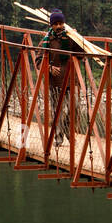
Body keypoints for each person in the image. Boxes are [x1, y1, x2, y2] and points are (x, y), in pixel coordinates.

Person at [39, 9, 82, 145]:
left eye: (60, 23)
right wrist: (49, 68)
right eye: (55, 24)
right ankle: (58, 138)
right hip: (55, 81)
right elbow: (38, 59)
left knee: (74, 107)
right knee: (57, 109)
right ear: (51, 25)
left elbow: (81, 54)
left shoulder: (70, 38)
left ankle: (66, 129)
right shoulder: (47, 40)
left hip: (70, 79)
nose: (58, 26)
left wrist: (78, 38)